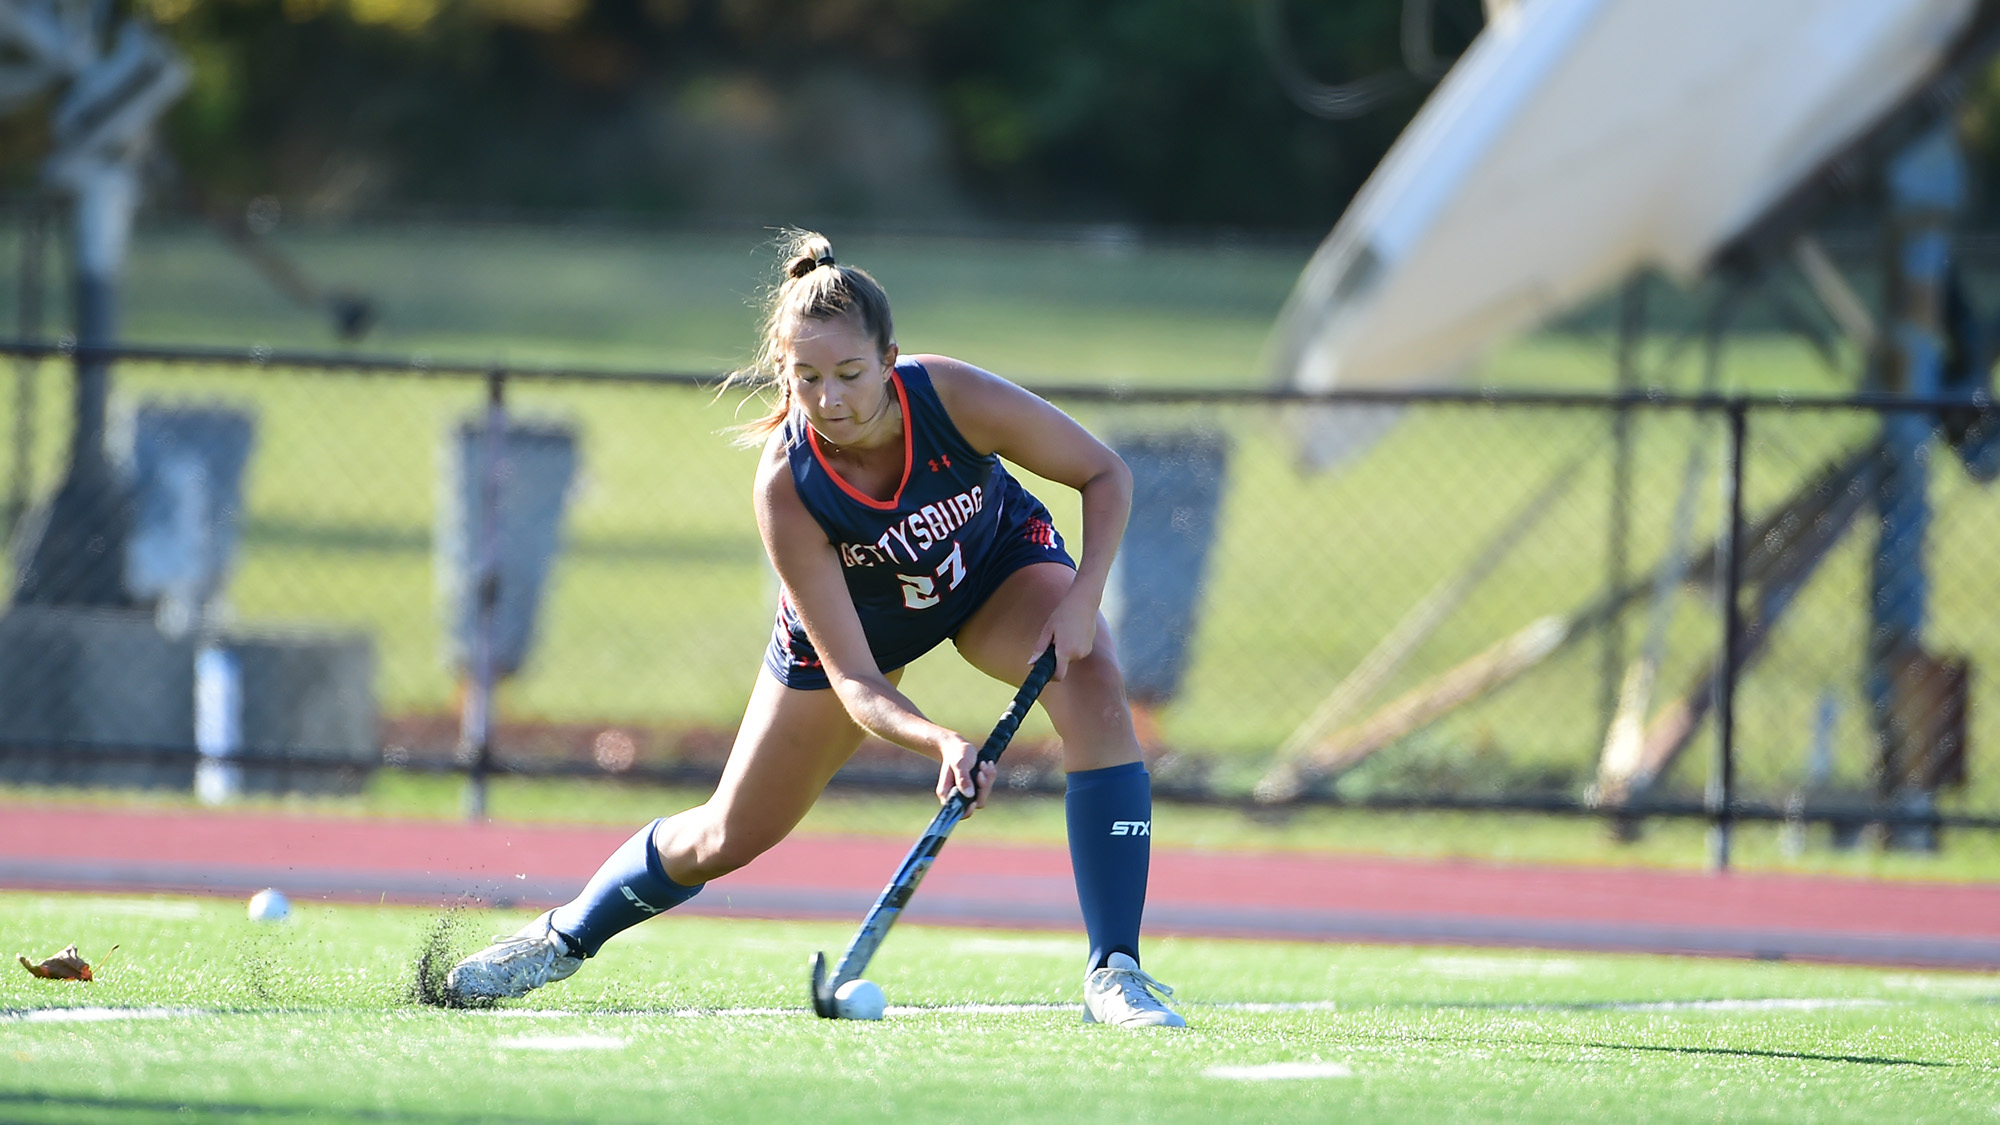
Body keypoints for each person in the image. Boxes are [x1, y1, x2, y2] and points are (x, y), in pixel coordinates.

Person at [445, 231, 1182, 1027]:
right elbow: (859, 681)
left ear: (890, 356)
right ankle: (565, 935)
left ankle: (1115, 968)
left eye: (850, 374)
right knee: (729, 833)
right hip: (857, 634)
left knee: (1094, 675)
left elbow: (1105, 471)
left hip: (990, 569)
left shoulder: (952, 397)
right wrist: (939, 740)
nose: (830, 399)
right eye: (807, 379)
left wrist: (1082, 602)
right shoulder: (788, 487)